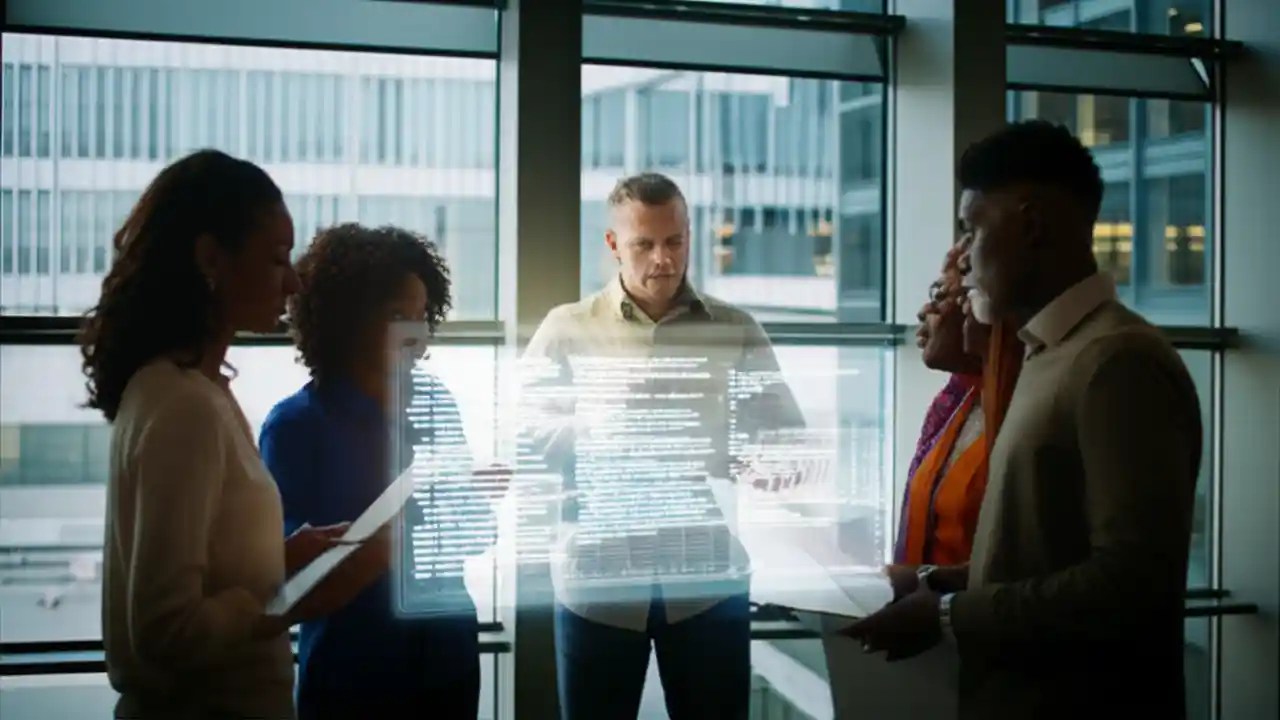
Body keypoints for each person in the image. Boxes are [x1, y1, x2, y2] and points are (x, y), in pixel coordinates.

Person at [847, 121, 1203, 719]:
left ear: (1031, 225)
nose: (962, 255)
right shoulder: (1050, 354)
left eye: (972, 229)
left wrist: (943, 614)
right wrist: (936, 580)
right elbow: (1046, 556)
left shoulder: (1118, 361)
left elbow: (1130, 584)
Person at [521, 172, 805, 719]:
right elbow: (523, 435)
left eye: (674, 241)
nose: (662, 259)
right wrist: (604, 428)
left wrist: (733, 453)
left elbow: (784, 437)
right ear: (612, 246)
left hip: (708, 584)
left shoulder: (736, 328)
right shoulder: (566, 328)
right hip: (597, 583)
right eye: (643, 244)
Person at [84, 149, 350, 718]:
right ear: (211, 258)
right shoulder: (185, 406)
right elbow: (166, 632)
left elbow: (198, 573)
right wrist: (286, 600)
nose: (294, 282)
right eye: (278, 257)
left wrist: (281, 560)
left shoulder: (185, 390)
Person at [260, 223, 504, 720]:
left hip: (448, 654)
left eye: (420, 316)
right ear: (349, 320)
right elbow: (285, 568)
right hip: (354, 670)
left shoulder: (435, 401)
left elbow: (473, 532)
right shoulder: (295, 425)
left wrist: (473, 506)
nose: (414, 333)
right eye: (397, 315)